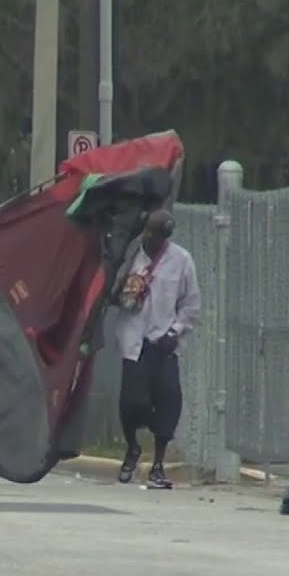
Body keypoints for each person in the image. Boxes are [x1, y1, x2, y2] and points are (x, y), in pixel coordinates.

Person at [113, 209, 202, 488]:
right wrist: (125, 293)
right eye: (150, 232)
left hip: (163, 343)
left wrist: (175, 333)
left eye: (159, 235)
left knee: (168, 401)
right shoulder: (130, 257)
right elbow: (110, 291)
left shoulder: (181, 260)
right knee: (131, 403)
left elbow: (191, 304)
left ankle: (158, 465)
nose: (153, 239)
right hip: (134, 341)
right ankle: (133, 447)